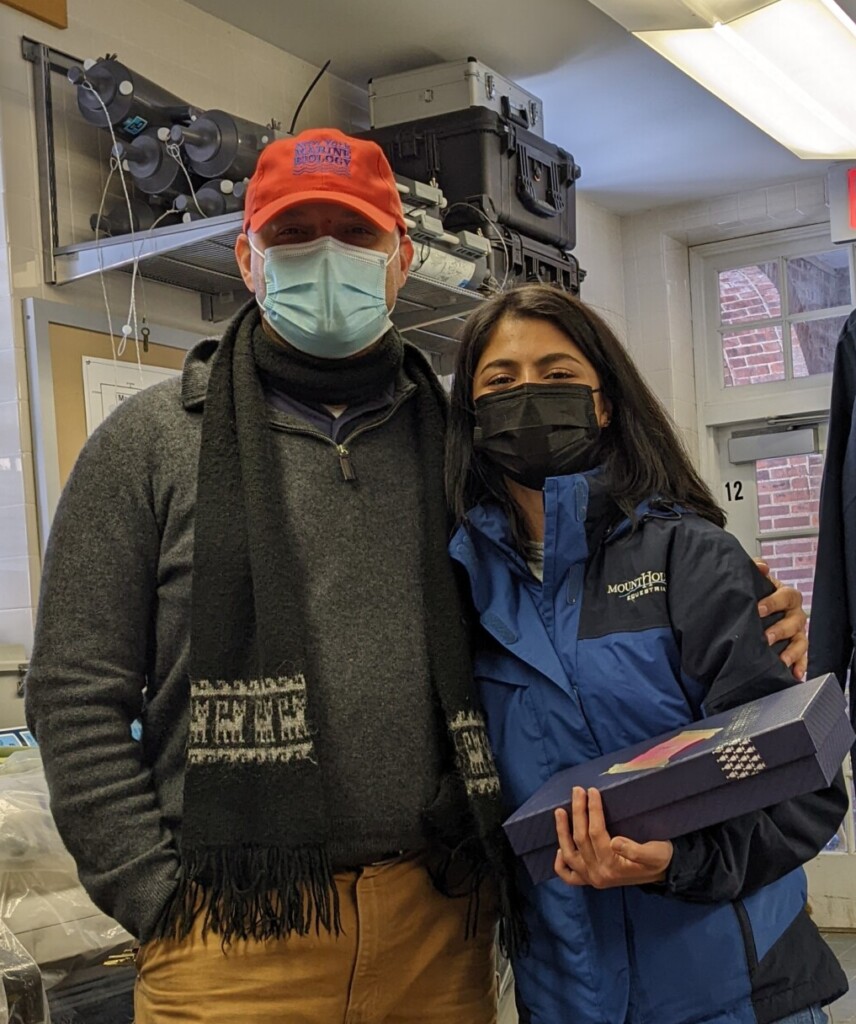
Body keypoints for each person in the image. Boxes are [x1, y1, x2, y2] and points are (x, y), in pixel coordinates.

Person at [24, 130, 807, 1024]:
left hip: (438, 920)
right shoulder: (150, 444)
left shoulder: (460, 447)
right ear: (248, 260)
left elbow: (578, 571)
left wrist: (754, 611)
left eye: (355, 236)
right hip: (230, 929)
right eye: (295, 235)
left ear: (400, 262)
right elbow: (74, 691)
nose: (327, 258)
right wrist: (156, 898)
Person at [445, 284, 846, 1024]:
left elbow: (804, 785)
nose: (529, 397)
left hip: (732, 995)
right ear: (470, 416)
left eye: (558, 376)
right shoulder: (455, 588)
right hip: (563, 997)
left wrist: (681, 862)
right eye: (500, 382)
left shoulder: (693, 560)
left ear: (603, 401)